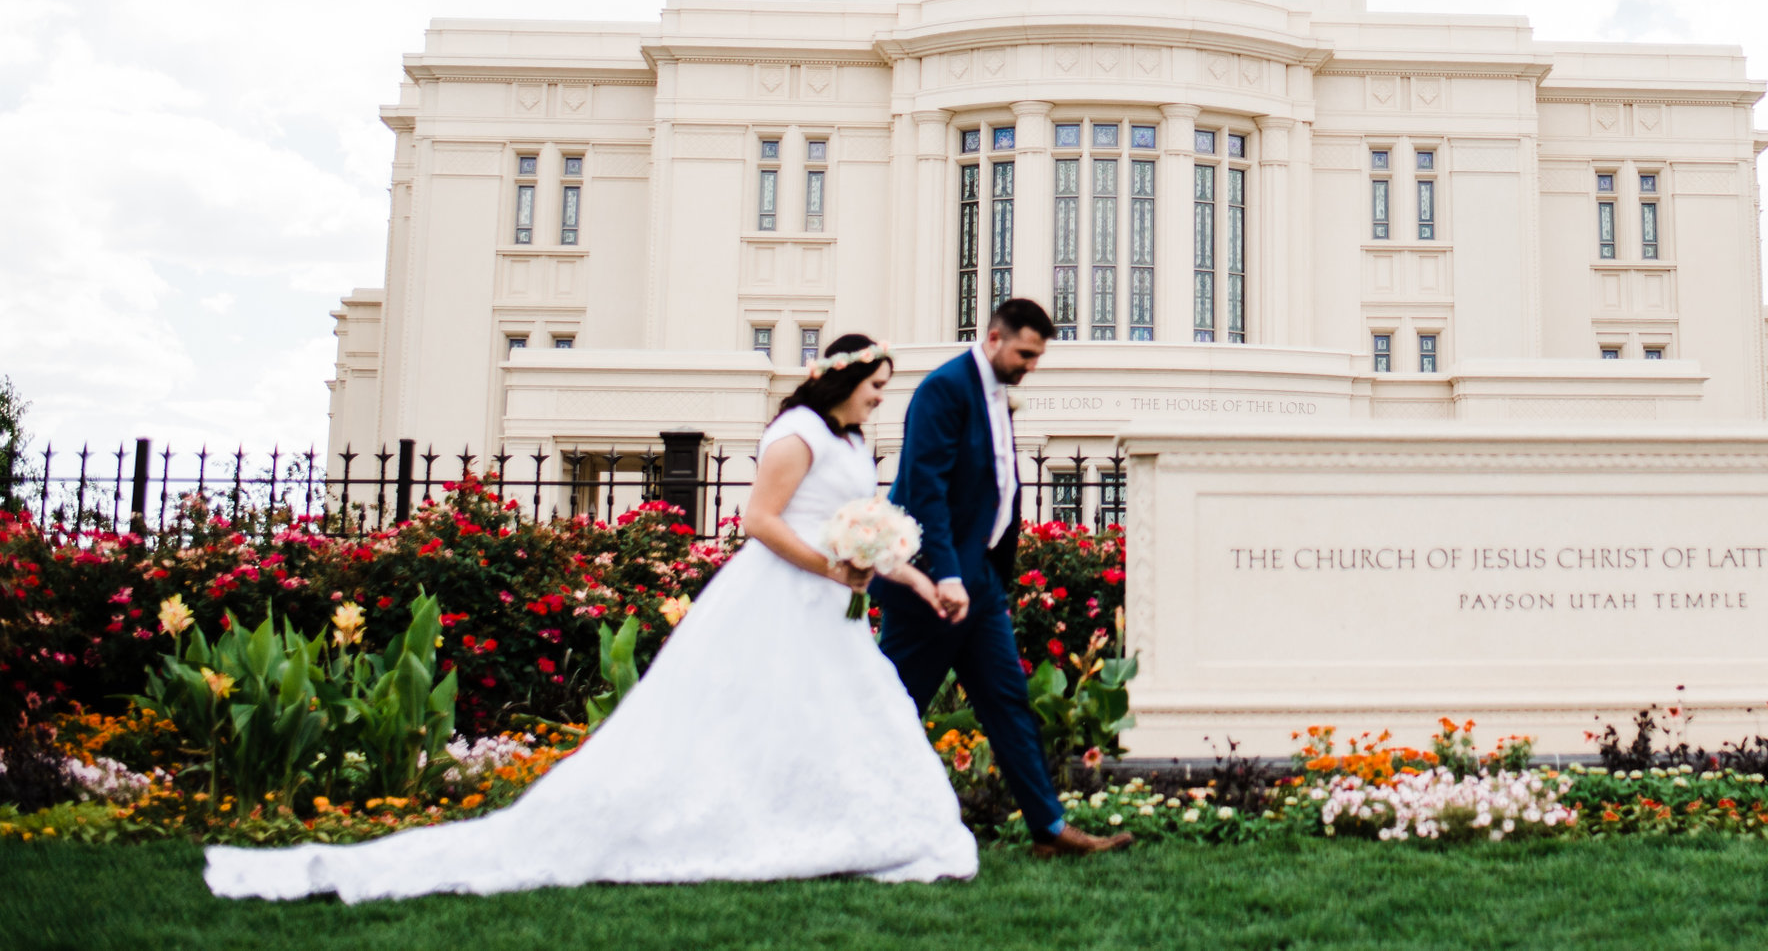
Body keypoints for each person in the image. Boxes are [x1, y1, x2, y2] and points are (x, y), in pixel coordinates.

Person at [203, 334, 980, 900]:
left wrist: (916, 580)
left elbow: (862, 528)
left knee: (841, 715)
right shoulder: (797, 433)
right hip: (781, 597)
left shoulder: (847, 437)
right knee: (745, 715)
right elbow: (761, 522)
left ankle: (835, 825)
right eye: (875, 384)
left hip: (831, 610)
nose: (882, 397)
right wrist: (827, 564)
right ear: (841, 378)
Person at [874, 297, 1132, 858]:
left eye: (1037, 356)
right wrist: (946, 576)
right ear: (994, 338)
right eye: (1025, 353)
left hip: (981, 584)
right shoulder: (943, 389)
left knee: (1009, 703)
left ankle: (1049, 829)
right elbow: (925, 491)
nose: (1031, 365)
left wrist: (983, 576)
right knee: (889, 707)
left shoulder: (996, 394)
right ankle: (848, 817)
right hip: (933, 590)